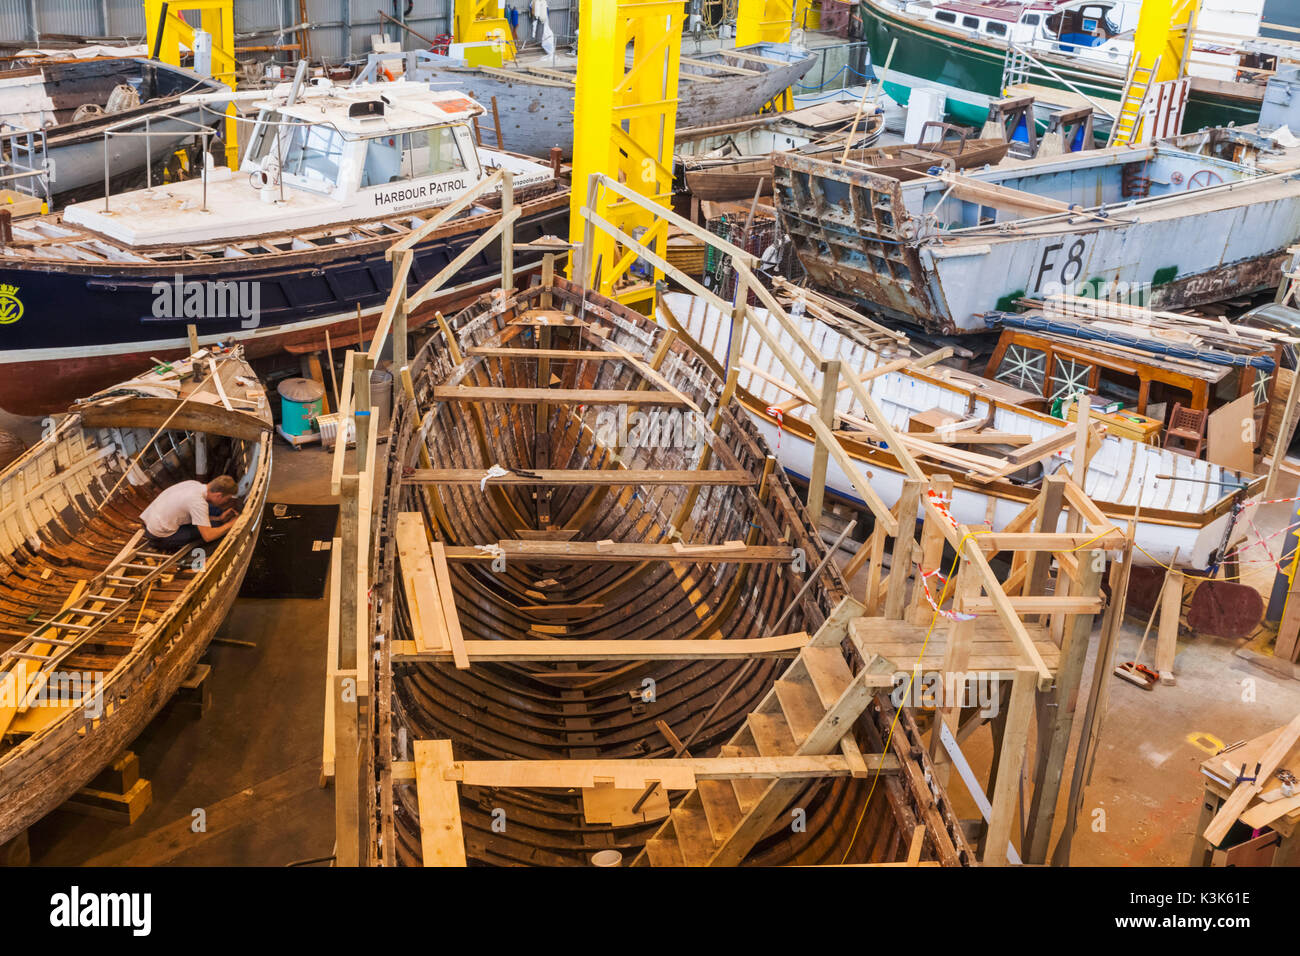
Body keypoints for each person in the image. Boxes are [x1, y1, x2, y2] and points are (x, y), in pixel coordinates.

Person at [140, 475, 241, 551]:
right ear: (219, 495)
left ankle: (218, 520)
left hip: (150, 520)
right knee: (215, 526)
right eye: (226, 499)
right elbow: (208, 536)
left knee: (215, 513)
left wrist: (219, 518)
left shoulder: (194, 484)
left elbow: (192, 512)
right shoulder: (198, 502)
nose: (226, 502)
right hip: (159, 536)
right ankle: (159, 544)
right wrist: (230, 524)